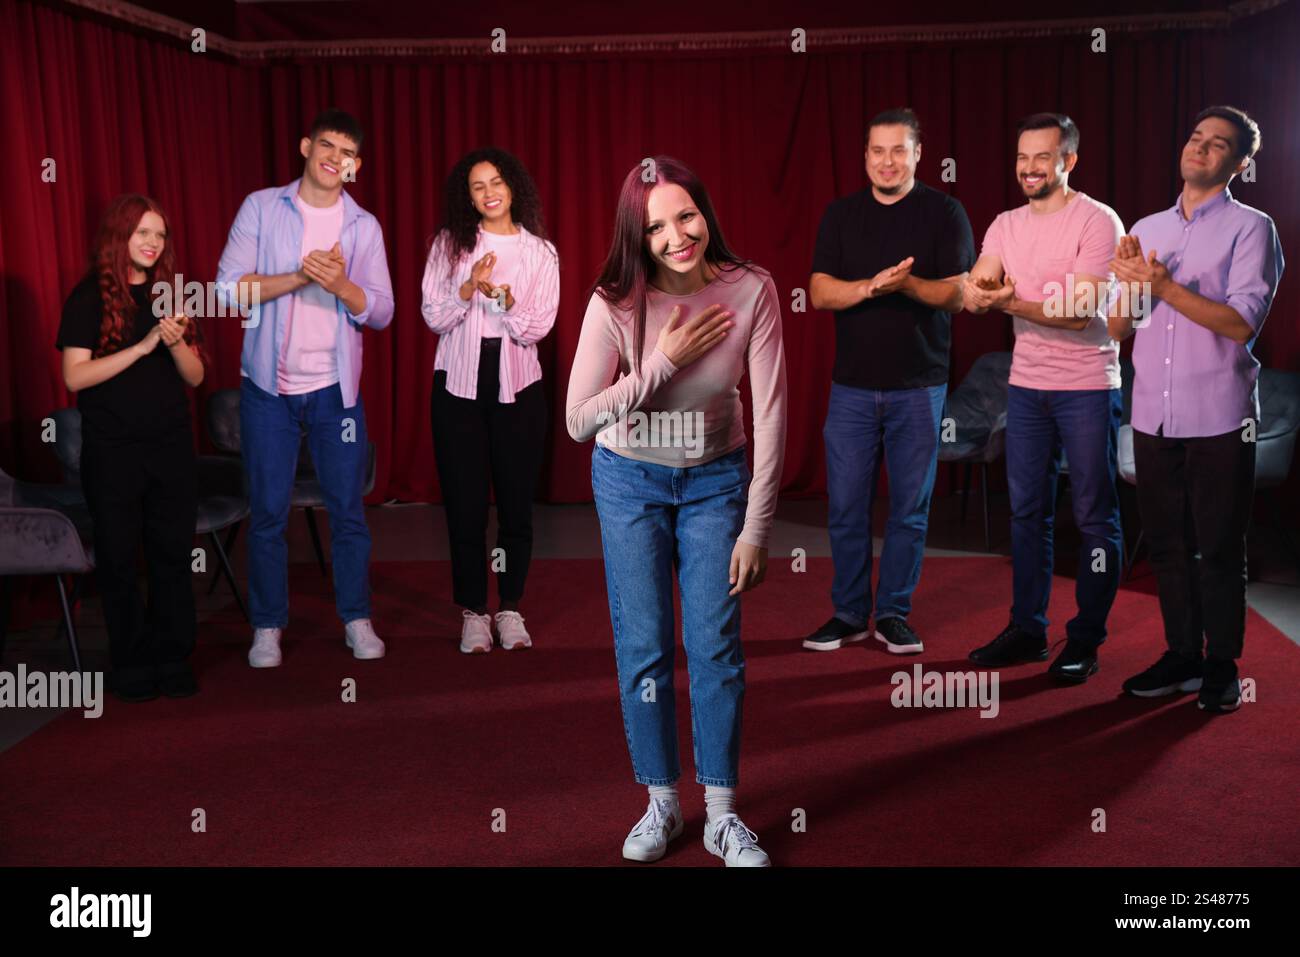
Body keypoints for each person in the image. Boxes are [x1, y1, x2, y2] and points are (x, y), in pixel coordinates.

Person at [566, 156, 787, 866]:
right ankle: (661, 802)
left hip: (715, 481)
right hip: (629, 481)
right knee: (645, 647)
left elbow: (774, 414)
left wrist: (756, 526)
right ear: (638, 232)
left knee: (715, 644)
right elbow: (577, 421)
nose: (675, 236)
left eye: (685, 215)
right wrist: (657, 365)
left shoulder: (751, 288)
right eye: (655, 225)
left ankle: (721, 813)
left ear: (706, 213)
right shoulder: (616, 302)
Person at [1108, 106, 1283, 714]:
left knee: (1217, 546)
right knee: (1166, 546)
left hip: (1220, 415)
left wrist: (1163, 286)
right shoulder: (1145, 227)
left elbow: (1240, 324)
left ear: (1240, 163)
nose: (1201, 149)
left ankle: (1221, 665)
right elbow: (1115, 327)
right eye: (1195, 138)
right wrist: (1133, 285)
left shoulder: (1252, 229)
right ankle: (1181, 654)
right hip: (1153, 417)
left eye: (1218, 145)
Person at [216, 107, 394, 668]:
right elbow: (226, 291)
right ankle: (267, 626)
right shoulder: (263, 207)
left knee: (347, 510)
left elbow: (383, 310)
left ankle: (356, 619)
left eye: (346, 152)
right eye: (326, 145)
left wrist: (341, 284)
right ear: (305, 146)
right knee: (267, 513)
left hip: (334, 393)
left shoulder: (363, 226)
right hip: (267, 392)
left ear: (355, 166)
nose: (334, 157)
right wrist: (299, 276)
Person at [803, 107, 974, 655]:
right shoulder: (841, 216)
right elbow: (820, 291)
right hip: (852, 387)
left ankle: (893, 613)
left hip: (919, 387)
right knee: (847, 506)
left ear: (918, 153)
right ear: (865, 156)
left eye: (899, 150)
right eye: (877, 150)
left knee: (909, 508)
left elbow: (958, 293)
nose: (887, 161)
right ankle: (850, 613)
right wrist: (871, 288)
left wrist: (906, 286)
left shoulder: (945, 213)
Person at [964, 113, 1124, 684]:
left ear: (1068, 162)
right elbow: (977, 287)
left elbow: (1081, 315)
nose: (1029, 168)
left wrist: (1003, 302)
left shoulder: (1098, 221)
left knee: (1093, 516)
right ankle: (1028, 629)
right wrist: (977, 292)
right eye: (1022, 157)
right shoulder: (1005, 223)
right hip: (1027, 387)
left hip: (1086, 386)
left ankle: (1085, 639)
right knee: (1028, 514)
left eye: (1042, 157)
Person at [56, 194, 205, 701]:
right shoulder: (88, 298)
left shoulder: (171, 294)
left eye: (159, 234)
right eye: (142, 232)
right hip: (113, 451)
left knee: (172, 555)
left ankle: (172, 656)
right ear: (119, 237)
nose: (152, 243)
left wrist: (176, 342)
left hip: (170, 447)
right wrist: (141, 348)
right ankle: (131, 660)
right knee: (119, 559)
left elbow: (196, 375)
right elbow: (75, 376)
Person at [421, 148, 559, 653]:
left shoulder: (541, 253)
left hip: (519, 390)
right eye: (478, 186)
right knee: (465, 506)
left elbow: (538, 326)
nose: (489, 193)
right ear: (469, 196)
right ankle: (474, 612)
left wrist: (502, 298)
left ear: (513, 186)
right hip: (457, 388)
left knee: (517, 507)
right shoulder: (448, 244)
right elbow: (434, 316)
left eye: (496, 182)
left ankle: (511, 608)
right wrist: (467, 288)